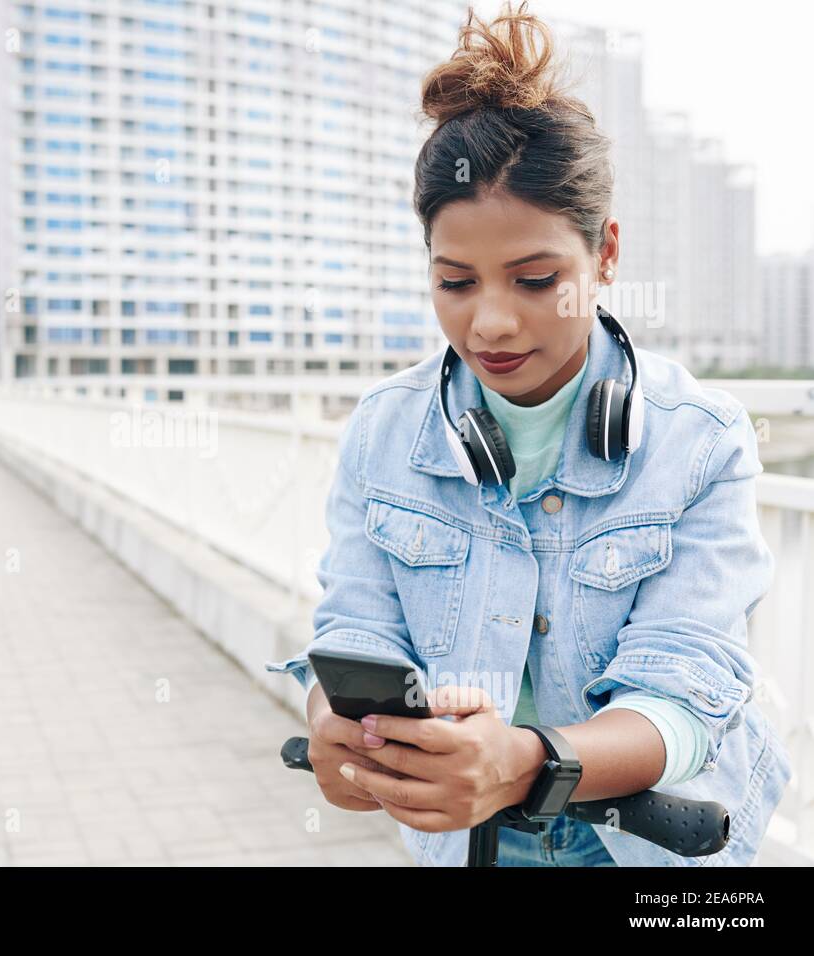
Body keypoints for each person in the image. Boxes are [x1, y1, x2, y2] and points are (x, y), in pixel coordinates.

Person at [265, 1, 791, 866]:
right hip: (465, 847)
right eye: (456, 282)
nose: (492, 324)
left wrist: (524, 762)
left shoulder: (702, 440)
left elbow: (686, 698)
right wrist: (333, 724)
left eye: (536, 278)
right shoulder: (381, 434)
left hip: (658, 854)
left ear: (606, 255)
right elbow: (356, 630)